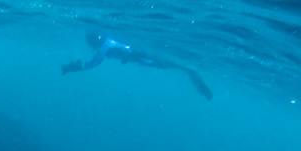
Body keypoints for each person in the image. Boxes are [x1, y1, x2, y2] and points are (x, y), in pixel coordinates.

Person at [62, 32, 213, 101]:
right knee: (180, 67)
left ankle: (201, 87)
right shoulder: (109, 42)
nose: (92, 47)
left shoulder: (105, 47)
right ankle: (200, 86)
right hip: (144, 56)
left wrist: (73, 68)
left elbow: (93, 64)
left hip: (146, 57)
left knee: (182, 67)